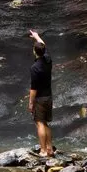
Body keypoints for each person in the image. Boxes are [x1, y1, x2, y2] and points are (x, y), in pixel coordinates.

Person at [27, 29, 53, 157]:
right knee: (46, 123)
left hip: (40, 98)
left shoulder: (35, 67)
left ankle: (43, 150)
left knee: (40, 123)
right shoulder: (48, 59)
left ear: (34, 51)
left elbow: (33, 88)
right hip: (49, 97)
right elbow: (43, 45)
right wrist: (37, 37)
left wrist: (31, 103)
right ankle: (50, 149)